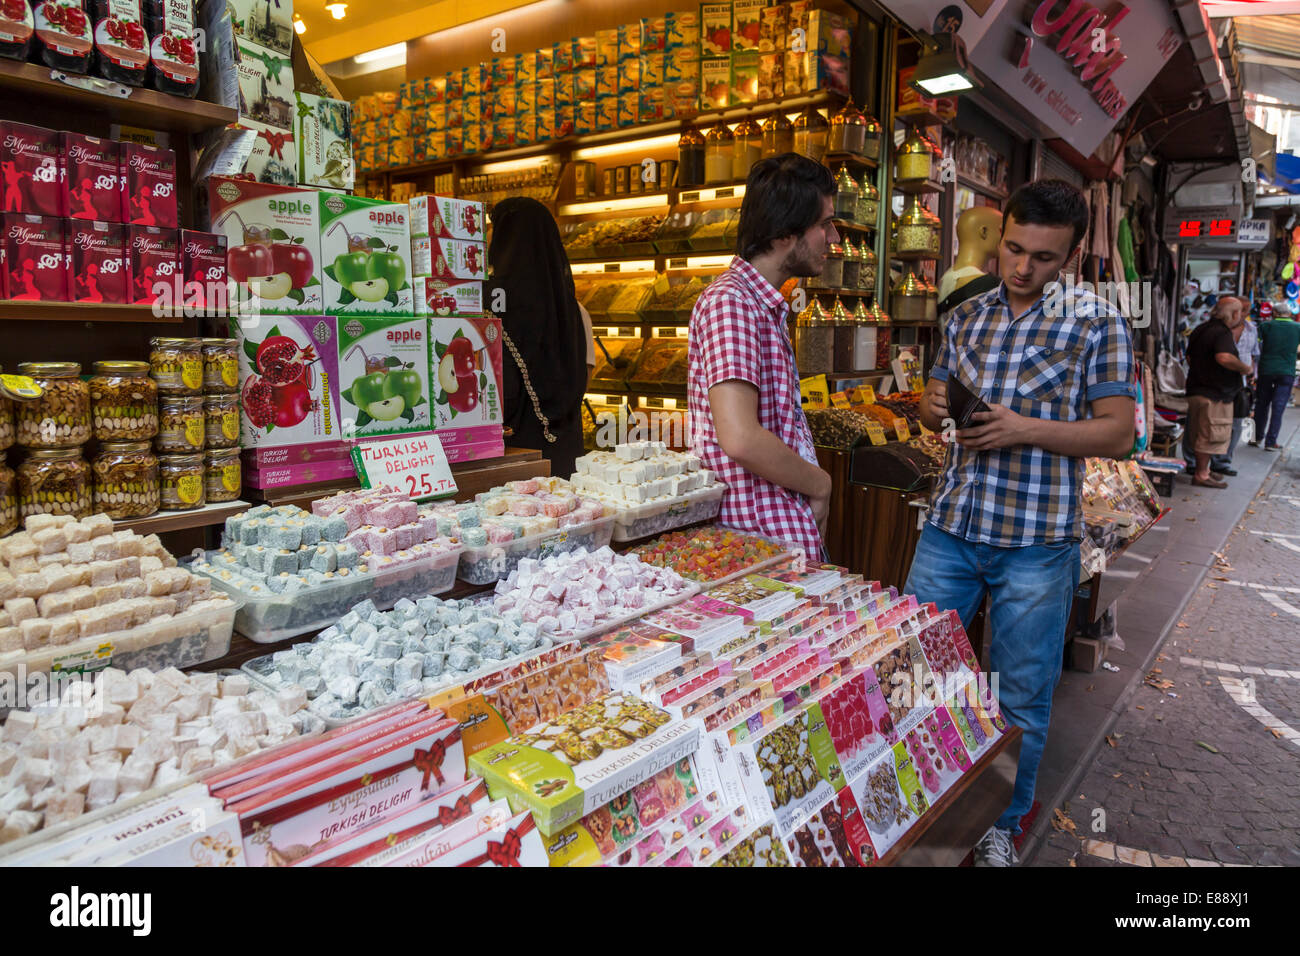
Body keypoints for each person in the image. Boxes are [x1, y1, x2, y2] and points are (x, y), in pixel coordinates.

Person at [910, 179, 1137, 867]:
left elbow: (1120, 434)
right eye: (1013, 248)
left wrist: (1022, 430)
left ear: (1067, 258)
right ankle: (922, 799)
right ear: (1000, 232)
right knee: (917, 671)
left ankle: (1002, 823)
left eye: (1042, 258)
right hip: (952, 525)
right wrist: (936, 406)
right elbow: (932, 402)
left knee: (1021, 694)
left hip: (1036, 542)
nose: (1021, 267)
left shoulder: (1097, 322)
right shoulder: (968, 316)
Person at [688, 152, 836, 559]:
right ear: (785, 233)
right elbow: (740, 438)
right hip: (756, 543)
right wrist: (820, 483)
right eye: (824, 224)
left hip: (773, 534)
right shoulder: (732, 303)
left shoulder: (762, 305)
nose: (834, 238)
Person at [485, 196, 589, 477]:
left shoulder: (491, 303)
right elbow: (584, 373)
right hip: (566, 449)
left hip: (515, 453)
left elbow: (497, 391)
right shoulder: (572, 307)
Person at [1184, 297, 1252, 488]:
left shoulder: (1201, 329)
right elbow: (1223, 357)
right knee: (1209, 435)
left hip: (1197, 389)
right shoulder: (1221, 333)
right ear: (1234, 314)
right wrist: (1244, 368)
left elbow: (1189, 357)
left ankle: (1202, 470)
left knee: (1199, 432)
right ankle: (1202, 474)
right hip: (1214, 393)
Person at [1209, 296, 1257, 475]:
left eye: (1246, 310)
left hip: (1240, 383)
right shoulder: (1219, 331)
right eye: (1241, 310)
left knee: (1236, 423)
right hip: (1217, 383)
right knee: (1212, 422)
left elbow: (1253, 354)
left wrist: (1251, 374)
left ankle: (1222, 461)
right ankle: (1199, 465)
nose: (1244, 314)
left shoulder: (1252, 330)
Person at [1251, 301, 1300, 451]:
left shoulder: (1266, 326)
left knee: (1262, 404)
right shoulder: (1298, 327)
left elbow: (1256, 347)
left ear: (1274, 313)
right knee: (1278, 407)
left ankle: (1257, 437)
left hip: (1267, 370)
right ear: (1289, 314)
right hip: (1287, 372)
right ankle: (1271, 442)